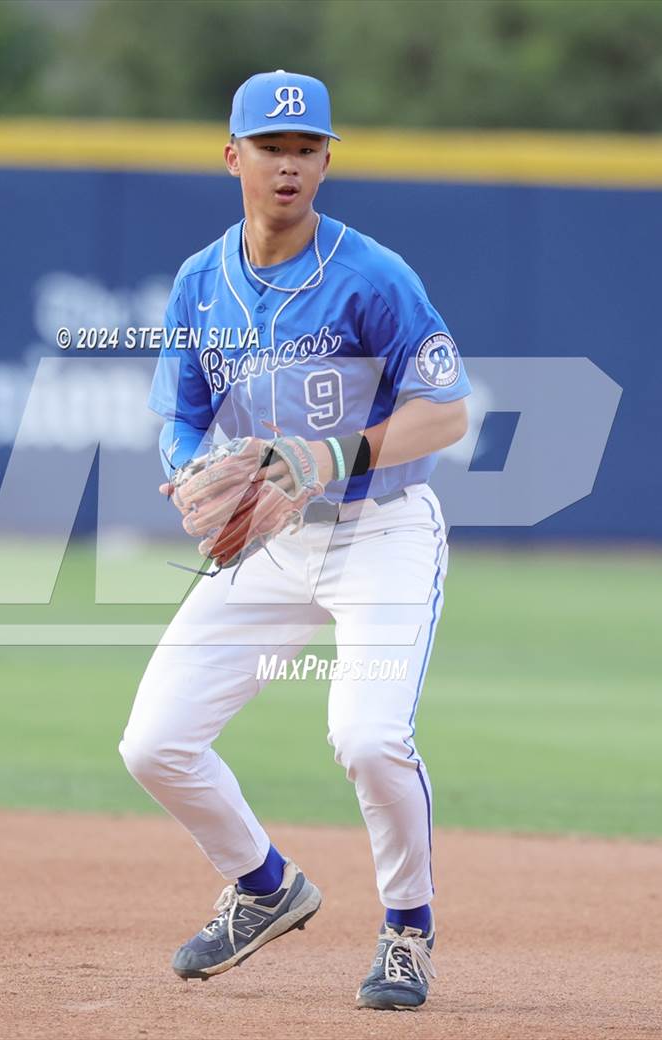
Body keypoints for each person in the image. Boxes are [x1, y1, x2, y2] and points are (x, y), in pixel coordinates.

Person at [119, 69, 471, 1012]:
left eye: (307, 148)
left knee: (365, 737)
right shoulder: (200, 282)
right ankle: (265, 886)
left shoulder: (373, 277)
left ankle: (407, 934)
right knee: (154, 744)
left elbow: (447, 415)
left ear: (325, 161)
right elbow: (183, 416)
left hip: (381, 530)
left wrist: (335, 452)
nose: (289, 164)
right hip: (270, 539)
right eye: (271, 147)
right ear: (232, 155)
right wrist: (195, 469)